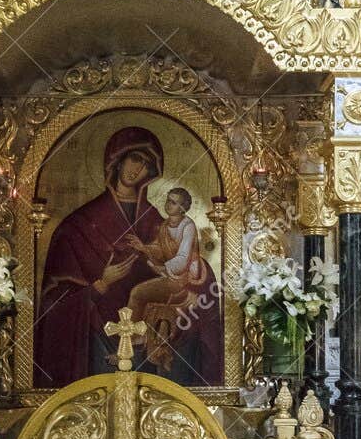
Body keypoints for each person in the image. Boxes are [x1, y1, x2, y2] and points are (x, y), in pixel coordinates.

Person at [35, 128, 222, 387]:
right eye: (135, 159)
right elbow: (52, 304)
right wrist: (100, 285)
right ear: (118, 160)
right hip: (96, 345)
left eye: (146, 165)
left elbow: (183, 261)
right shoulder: (78, 225)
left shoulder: (158, 221)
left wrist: (193, 277)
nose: (137, 170)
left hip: (149, 344)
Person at [126, 188, 209, 370]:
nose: (168, 204)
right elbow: (159, 249)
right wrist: (143, 248)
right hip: (171, 274)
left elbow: (183, 257)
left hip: (186, 278)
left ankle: (132, 340)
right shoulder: (165, 226)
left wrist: (163, 268)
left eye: (173, 202)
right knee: (138, 290)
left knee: (137, 293)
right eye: (168, 200)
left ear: (183, 208)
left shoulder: (188, 226)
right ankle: (138, 338)